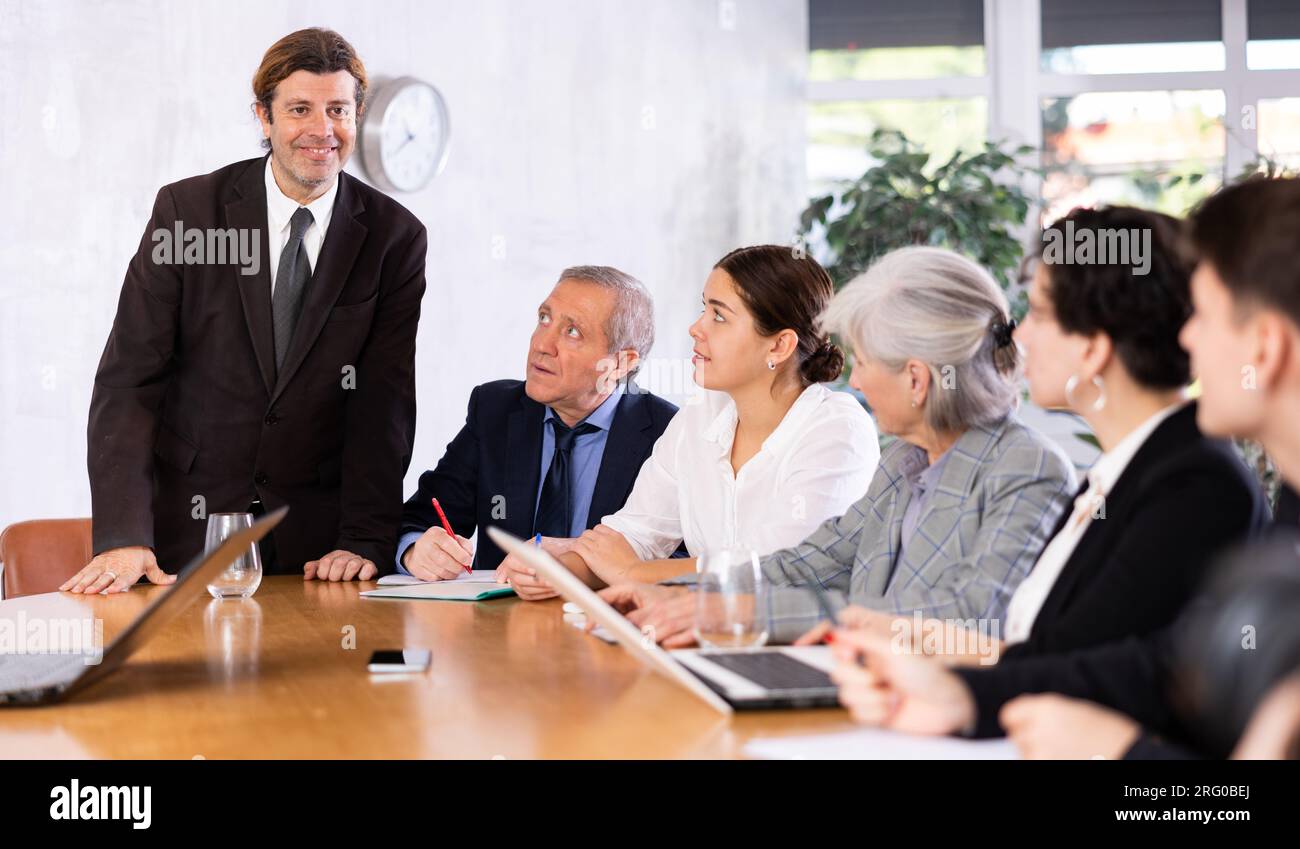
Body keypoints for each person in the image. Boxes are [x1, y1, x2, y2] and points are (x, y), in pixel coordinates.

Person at [827, 177, 1300, 759]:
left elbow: (1134, 684)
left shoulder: (1195, 482)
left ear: (1093, 348)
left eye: (1041, 314)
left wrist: (1123, 754)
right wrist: (952, 668)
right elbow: (1126, 660)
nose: (1018, 334)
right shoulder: (1127, 474)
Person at [65, 28, 425, 592]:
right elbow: (130, 380)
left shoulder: (394, 238)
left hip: (318, 551)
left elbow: (384, 404)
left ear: (357, 114)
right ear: (264, 116)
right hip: (182, 536)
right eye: (300, 109)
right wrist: (124, 535)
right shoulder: (187, 213)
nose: (322, 130)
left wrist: (364, 538)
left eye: (338, 109)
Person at [599, 246, 1077, 645]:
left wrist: (737, 611)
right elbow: (806, 564)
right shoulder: (904, 463)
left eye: (865, 363)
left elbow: (961, 616)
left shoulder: (1026, 466)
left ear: (916, 380)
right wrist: (687, 596)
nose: (859, 382)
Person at [510, 245, 878, 598]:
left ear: (779, 346)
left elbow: (774, 571)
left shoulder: (837, 429)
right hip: (705, 636)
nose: (695, 328)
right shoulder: (700, 416)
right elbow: (635, 535)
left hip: (803, 650)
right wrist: (560, 572)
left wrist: (632, 575)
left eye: (718, 316)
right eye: (704, 309)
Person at [396, 266, 677, 580]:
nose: (542, 344)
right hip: (499, 622)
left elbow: (683, 558)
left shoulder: (668, 432)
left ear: (621, 363)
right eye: (544, 318)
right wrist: (416, 549)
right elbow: (422, 516)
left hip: (607, 621)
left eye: (572, 332)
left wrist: (579, 557)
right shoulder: (495, 411)